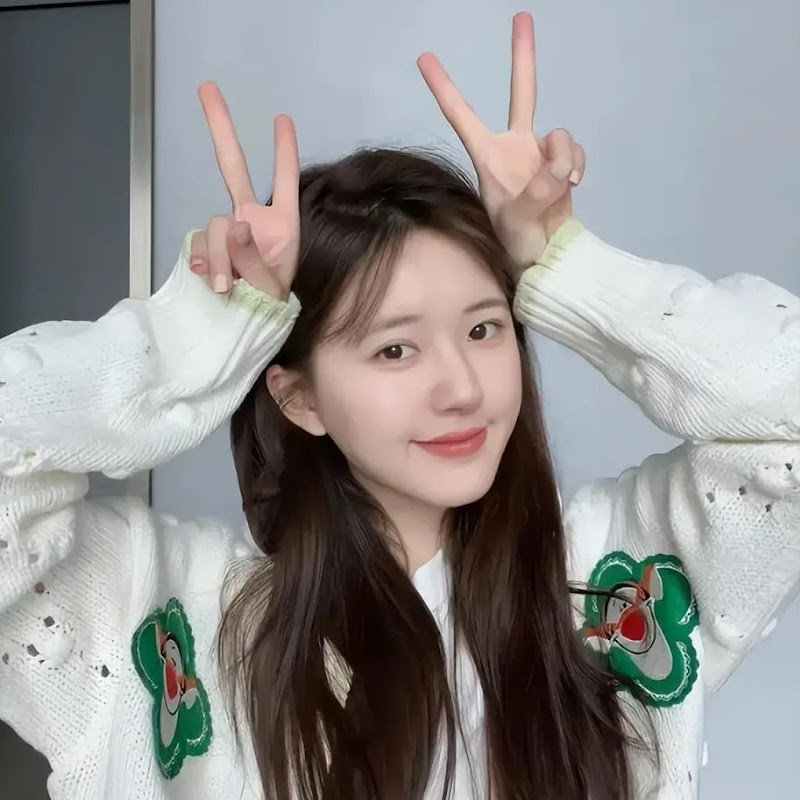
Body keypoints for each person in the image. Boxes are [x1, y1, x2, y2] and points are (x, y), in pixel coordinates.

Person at [0, 12, 797, 800]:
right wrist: (191, 342)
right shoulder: (165, 615)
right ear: (299, 397)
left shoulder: (617, 585)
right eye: (395, 349)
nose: (463, 388)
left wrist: (569, 266)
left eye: (483, 329)